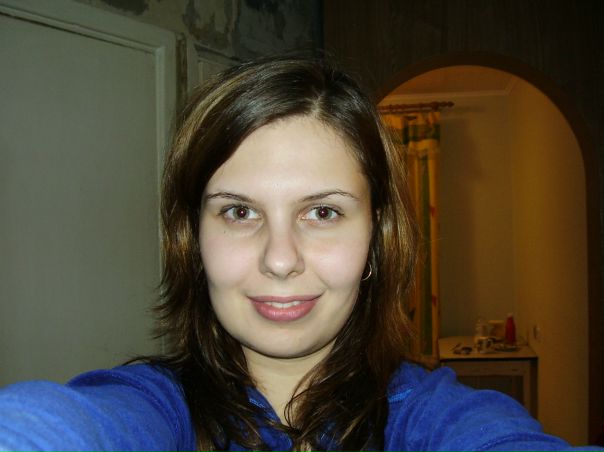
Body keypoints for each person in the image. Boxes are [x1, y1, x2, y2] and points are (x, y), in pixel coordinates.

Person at [0, 56, 601, 452]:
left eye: (323, 212)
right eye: (239, 212)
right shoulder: (151, 409)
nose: (280, 259)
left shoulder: (433, 418)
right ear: (194, 240)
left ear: (377, 240)